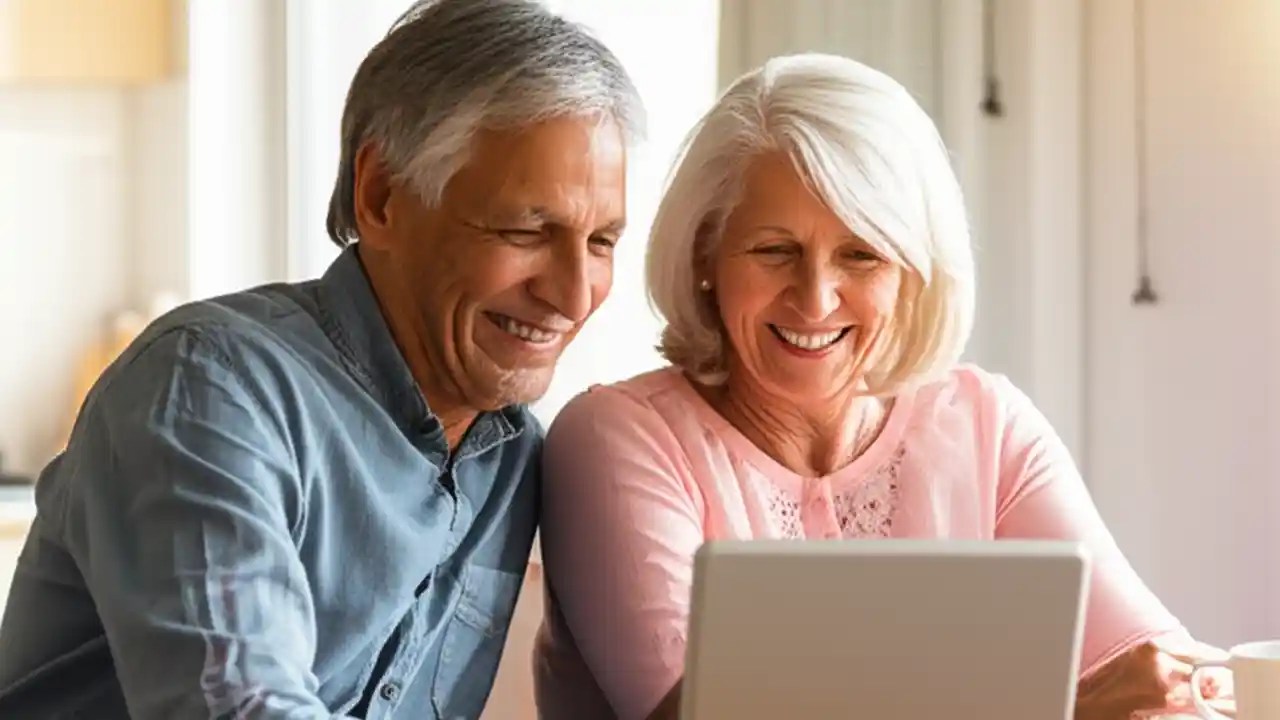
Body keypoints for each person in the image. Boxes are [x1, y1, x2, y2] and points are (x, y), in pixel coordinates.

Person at [533, 53, 1229, 720]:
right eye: (775, 250)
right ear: (705, 254)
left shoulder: (989, 425)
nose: (815, 299)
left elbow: (1170, 680)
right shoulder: (616, 438)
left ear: (912, 274)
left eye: (860, 254)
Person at [0, 1, 642, 718]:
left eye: (601, 242)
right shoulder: (210, 387)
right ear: (382, 195)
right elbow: (239, 708)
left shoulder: (514, 454)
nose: (573, 294)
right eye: (527, 230)